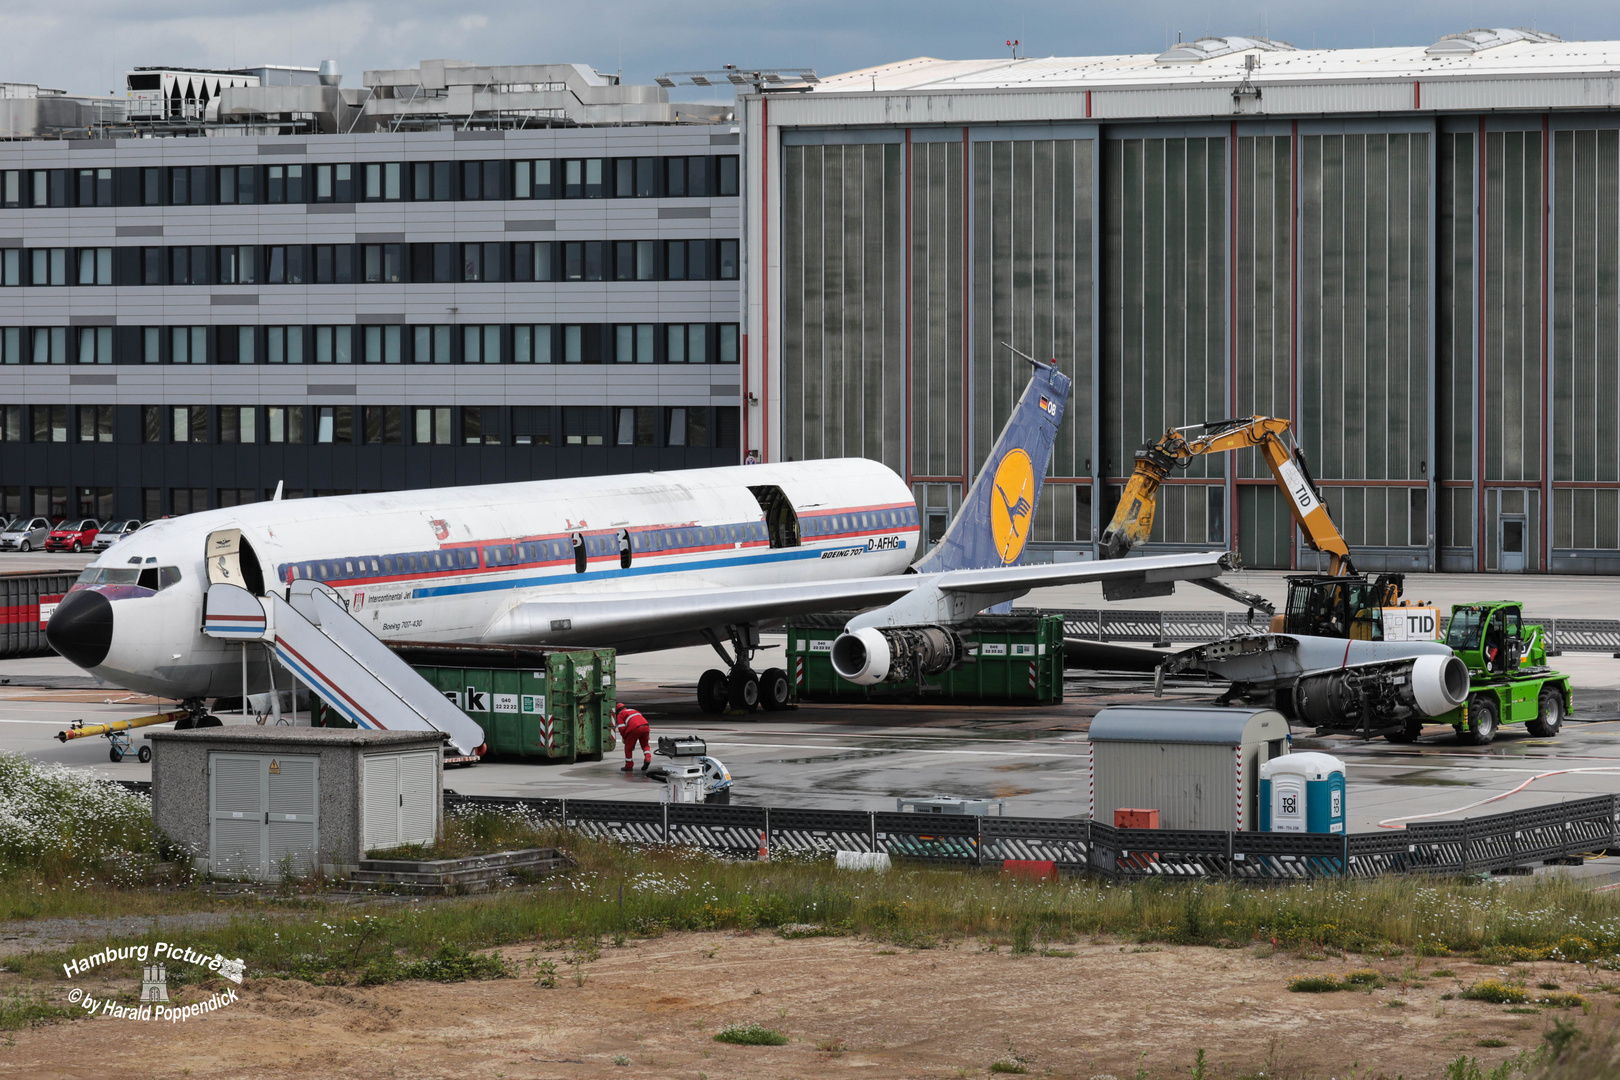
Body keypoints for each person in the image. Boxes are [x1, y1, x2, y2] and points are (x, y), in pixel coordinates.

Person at [613, 702, 651, 772]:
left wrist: (625, 737)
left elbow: (621, 728)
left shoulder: (620, 714)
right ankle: (648, 758)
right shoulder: (634, 710)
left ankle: (629, 766)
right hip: (645, 726)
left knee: (628, 748)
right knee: (645, 745)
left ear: (617, 710)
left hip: (635, 728)